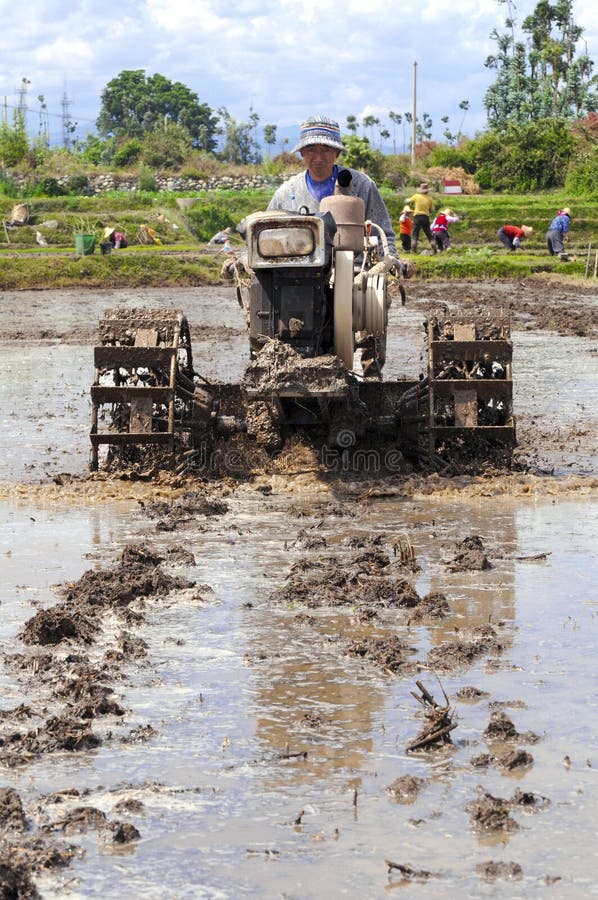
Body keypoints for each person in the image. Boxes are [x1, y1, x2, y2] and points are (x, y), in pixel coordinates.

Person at [268, 115, 408, 379]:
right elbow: (267, 234)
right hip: (301, 274)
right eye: (311, 150)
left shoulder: (361, 186)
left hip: (355, 268)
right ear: (302, 154)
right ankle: (283, 367)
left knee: (373, 292)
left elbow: (384, 232)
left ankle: (371, 372)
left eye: (325, 150)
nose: (318, 157)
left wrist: (391, 261)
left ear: (336, 152)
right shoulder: (287, 193)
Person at [405, 183, 436, 253]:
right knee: (428, 232)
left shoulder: (416, 196)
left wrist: (406, 201)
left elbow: (408, 201)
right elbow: (432, 210)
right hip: (425, 217)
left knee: (415, 233)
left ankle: (413, 249)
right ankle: (433, 245)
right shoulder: (430, 199)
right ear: (427, 191)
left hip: (417, 217)